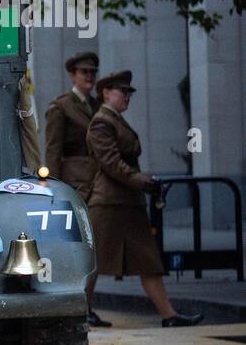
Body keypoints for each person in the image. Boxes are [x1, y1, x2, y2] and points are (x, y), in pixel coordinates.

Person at [86, 70, 202, 328]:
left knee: (147, 261)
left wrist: (143, 182)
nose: (127, 96)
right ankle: (80, 312)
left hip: (126, 202)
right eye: (122, 91)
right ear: (106, 92)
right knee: (93, 262)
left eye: (129, 92)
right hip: (109, 203)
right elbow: (111, 164)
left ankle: (169, 315)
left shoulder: (114, 120)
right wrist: (143, 181)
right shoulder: (102, 122)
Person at [45, 51, 107, 325]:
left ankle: (86, 305)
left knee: (93, 245)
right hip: (74, 183)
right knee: (78, 245)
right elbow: (53, 149)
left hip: (97, 181)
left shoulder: (96, 105)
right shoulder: (62, 106)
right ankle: (75, 305)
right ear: (73, 75)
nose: (89, 77)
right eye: (84, 73)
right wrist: (54, 188)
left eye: (92, 73)